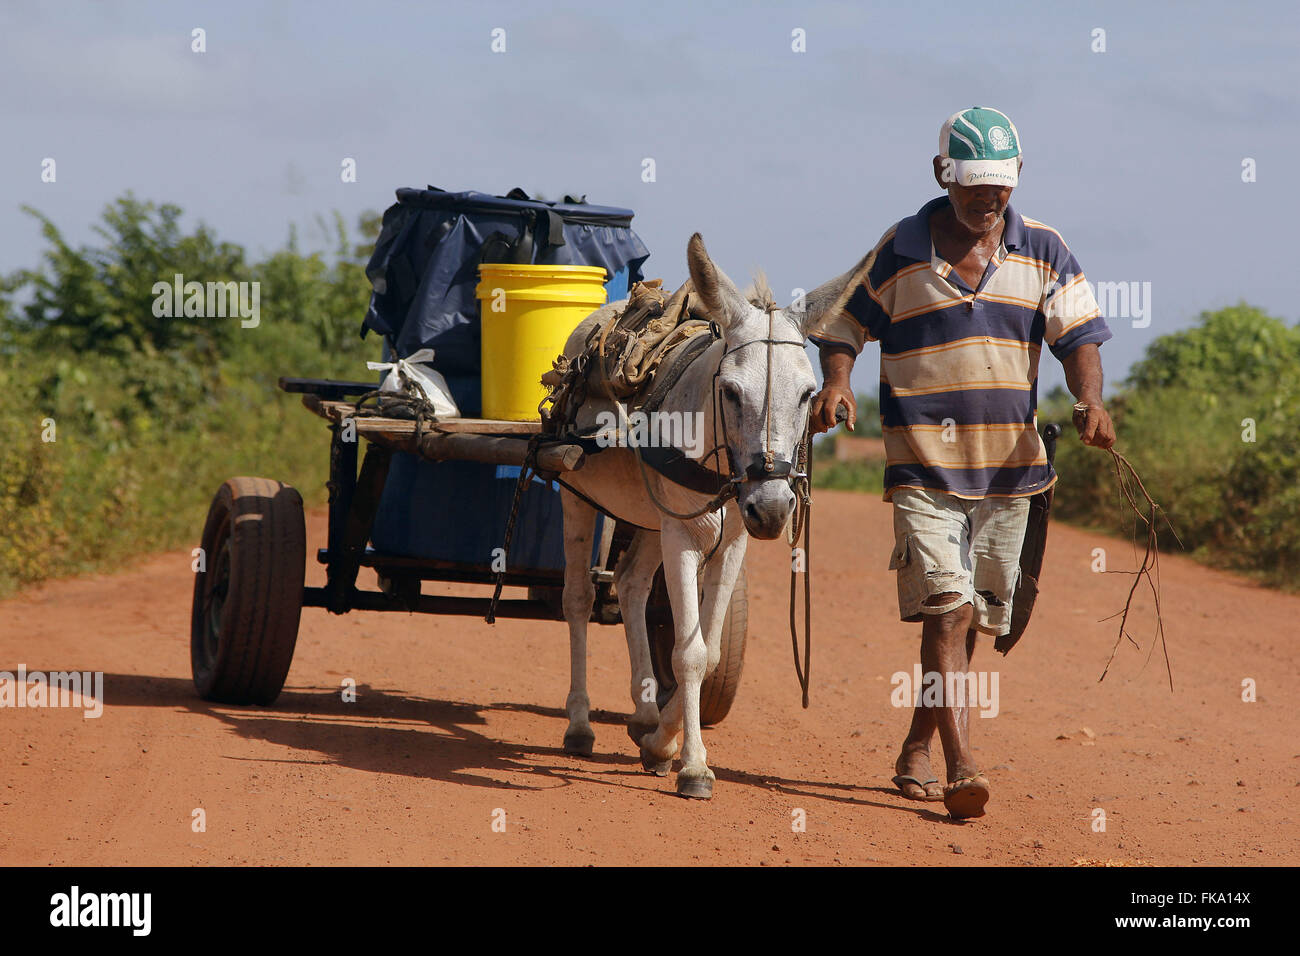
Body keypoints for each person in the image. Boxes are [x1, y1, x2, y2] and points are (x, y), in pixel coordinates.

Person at [808, 107, 1117, 819]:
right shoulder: (901, 248)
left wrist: (1091, 401)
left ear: (1017, 178)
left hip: (1010, 471)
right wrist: (835, 382)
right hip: (924, 467)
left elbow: (1078, 336)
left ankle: (917, 746)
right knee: (948, 610)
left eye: (1000, 186)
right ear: (941, 174)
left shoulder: (1046, 250)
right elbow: (846, 326)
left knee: (969, 616)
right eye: (974, 185)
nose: (988, 200)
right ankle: (962, 765)